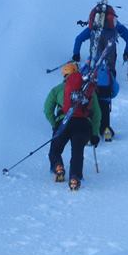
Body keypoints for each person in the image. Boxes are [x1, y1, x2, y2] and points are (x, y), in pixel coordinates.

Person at [72, 3, 128, 142]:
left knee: (90, 100)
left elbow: (78, 39)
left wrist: (76, 55)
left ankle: (90, 129)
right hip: (108, 71)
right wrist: (127, 52)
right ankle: (105, 129)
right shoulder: (116, 26)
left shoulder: (93, 28)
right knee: (105, 102)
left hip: (92, 71)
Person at [43, 61, 102, 190]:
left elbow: (47, 109)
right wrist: (94, 133)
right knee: (77, 151)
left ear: (64, 75)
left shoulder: (57, 89)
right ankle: (75, 177)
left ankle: (58, 166)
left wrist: (55, 124)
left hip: (64, 123)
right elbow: (97, 113)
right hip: (83, 123)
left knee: (55, 150)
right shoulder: (87, 89)